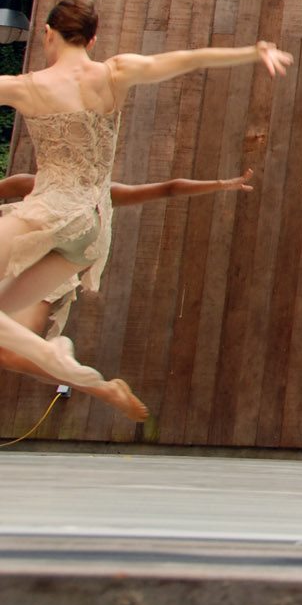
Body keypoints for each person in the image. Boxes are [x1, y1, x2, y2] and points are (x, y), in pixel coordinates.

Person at [0, 0, 290, 403]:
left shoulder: (25, 87)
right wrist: (252, 51)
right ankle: (73, 368)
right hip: (92, 229)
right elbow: (187, 59)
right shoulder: (116, 72)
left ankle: (63, 364)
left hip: (52, 210)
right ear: (92, 38)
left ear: (47, 34)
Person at [0, 167, 254, 419]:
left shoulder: (101, 194)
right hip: (14, 262)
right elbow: (170, 188)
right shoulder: (32, 184)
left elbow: (169, 188)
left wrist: (220, 183)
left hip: (43, 272)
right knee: (10, 353)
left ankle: (98, 386)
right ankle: (93, 383)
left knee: (10, 354)